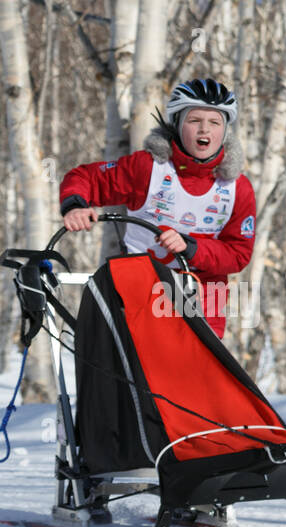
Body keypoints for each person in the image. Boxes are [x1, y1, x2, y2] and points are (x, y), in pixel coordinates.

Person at [59, 78, 255, 339]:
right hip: (140, 294)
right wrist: (75, 206)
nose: (204, 130)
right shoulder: (147, 168)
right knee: (137, 376)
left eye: (214, 122)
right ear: (178, 123)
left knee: (188, 379)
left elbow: (238, 253)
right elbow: (86, 178)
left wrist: (192, 247)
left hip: (202, 308)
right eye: (194, 120)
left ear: (225, 130)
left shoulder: (237, 188)